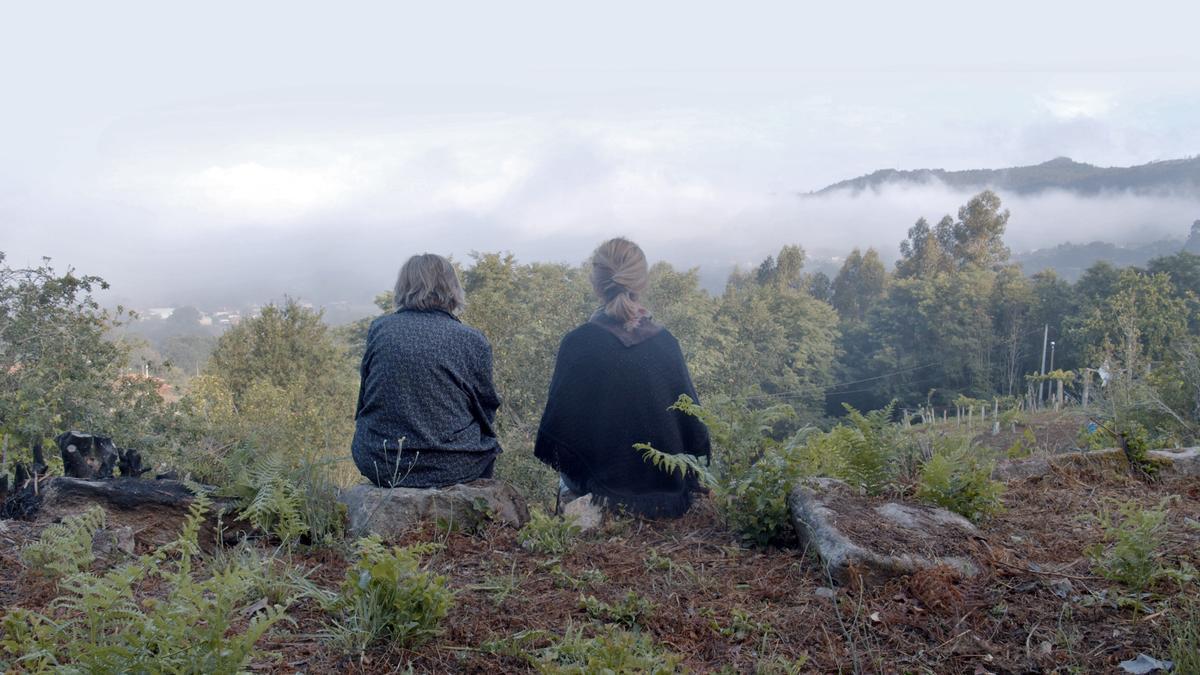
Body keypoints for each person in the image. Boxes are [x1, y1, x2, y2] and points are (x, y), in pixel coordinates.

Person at [534, 238, 711, 518]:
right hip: (668, 490)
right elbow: (693, 426)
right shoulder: (666, 343)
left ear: (596, 284)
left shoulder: (577, 343)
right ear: (642, 283)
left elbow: (559, 429)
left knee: (565, 476)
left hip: (599, 486)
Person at [351, 253, 502, 488]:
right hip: (453, 463)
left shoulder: (380, 329)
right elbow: (485, 407)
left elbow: (364, 398)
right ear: (452, 288)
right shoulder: (472, 339)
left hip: (381, 461)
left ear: (403, 287)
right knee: (488, 445)